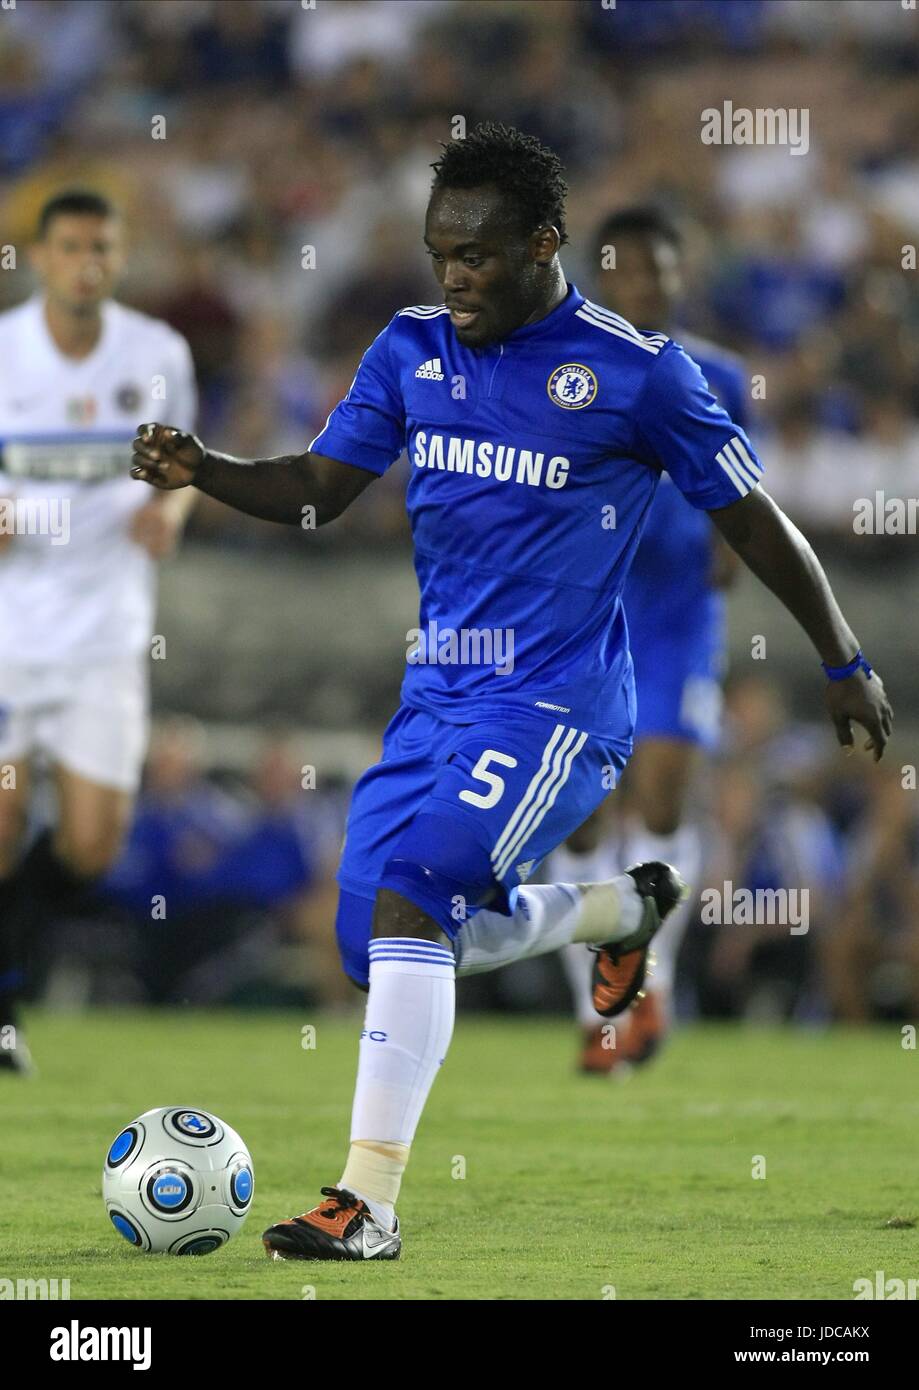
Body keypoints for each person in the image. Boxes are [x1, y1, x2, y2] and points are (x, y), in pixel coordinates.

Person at [130, 124, 891, 1261]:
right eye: (441, 254)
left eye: (478, 256)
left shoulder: (637, 372)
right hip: (433, 697)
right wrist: (207, 469)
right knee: (373, 942)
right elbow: (319, 491)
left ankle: (365, 1204)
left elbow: (752, 517)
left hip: (559, 705)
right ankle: (614, 911)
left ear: (544, 244)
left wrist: (842, 657)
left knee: (415, 898)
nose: (454, 276)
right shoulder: (408, 348)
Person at [0, 190, 198, 1073]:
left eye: (103, 247)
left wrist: (175, 513)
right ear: (39, 256)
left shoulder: (156, 354)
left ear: (119, 258)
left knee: (90, 844)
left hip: (108, 634)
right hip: (9, 631)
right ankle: (6, 1001)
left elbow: (185, 470)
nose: (88, 261)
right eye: (72, 245)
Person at [550, 206, 749, 1075]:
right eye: (630, 270)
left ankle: (650, 985)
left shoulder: (718, 374)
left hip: (676, 616)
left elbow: (741, 482)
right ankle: (596, 1011)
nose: (648, 286)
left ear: (680, 275)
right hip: (589, 614)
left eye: (661, 270)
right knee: (586, 816)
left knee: (661, 800)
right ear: (603, 277)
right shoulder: (567, 370)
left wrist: (730, 545)